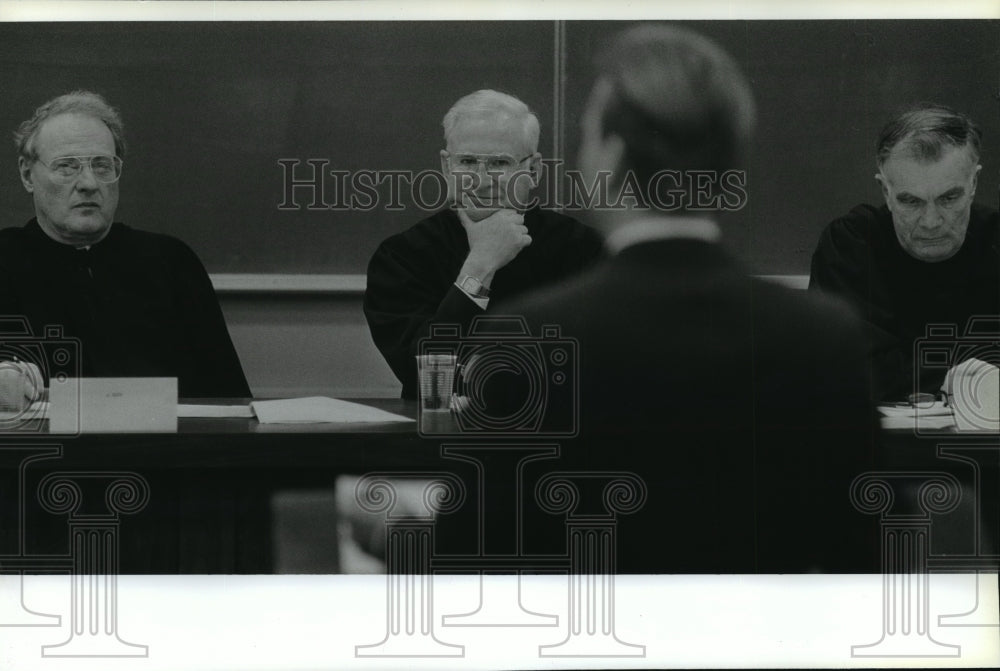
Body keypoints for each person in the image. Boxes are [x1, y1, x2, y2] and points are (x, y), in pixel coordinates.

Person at [500, 25, 879, 573]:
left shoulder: (527, 338)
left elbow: (478, 560)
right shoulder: (824, 336)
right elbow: (859, 559)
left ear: (609, 158)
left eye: (585, 136)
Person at [0, 90, 250, 398]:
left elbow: (230, 400)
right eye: (67, 166)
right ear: (27, 174)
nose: (89, 183)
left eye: (102, 165)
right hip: (51, 446)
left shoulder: (171, 263)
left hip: (167, 446)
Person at [363, 89, 603, 399]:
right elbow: (425, 375)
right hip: (440, 438)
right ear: (447, 167)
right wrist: (480, 265)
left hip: (561, 435)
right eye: (468, 161)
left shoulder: (582, 249)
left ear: (533, 170)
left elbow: (597, 368)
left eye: (499, 163)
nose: (481, 179)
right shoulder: (402, 257)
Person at [810, 103, 999, 402]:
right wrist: (968, 378)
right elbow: (846, 371)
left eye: (949, 198)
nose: (931, 221)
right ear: (885, 191)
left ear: (973, 183)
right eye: (911, 201)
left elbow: (879, 371)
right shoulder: (850, 245)